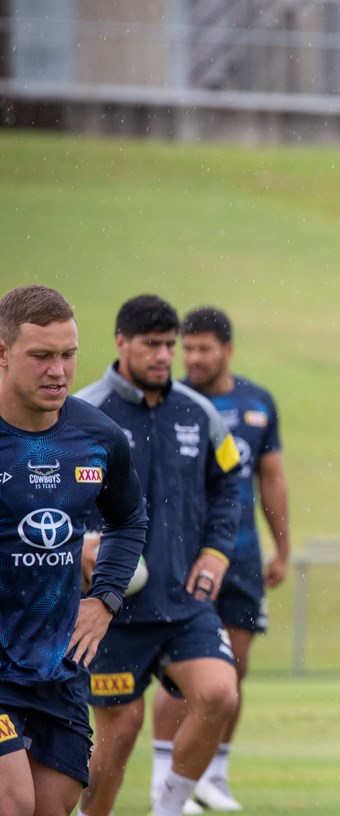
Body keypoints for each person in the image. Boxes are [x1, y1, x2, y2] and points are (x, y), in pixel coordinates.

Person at [75, 295, 242, 816]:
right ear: (121, 343)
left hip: (183, 600)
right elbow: (49, 495)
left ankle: (168, 809)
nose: (164, 356)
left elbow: (231, 481)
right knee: (120, 732)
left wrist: (215, 552)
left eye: (169, 345)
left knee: (219, 695)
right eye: (151, 345)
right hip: (113, 611)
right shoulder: (84, 413)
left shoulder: (199, 411)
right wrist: (80, 542)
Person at [0, 285, 147, 816]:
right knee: (13, 802)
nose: (58, 370)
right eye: (41, 356)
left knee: (50, 808)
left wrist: (105, 597)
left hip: (59, 671)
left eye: (68, 354)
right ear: (2, 353)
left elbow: (130, 518)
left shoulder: (99, 438)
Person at [147, 306, 292, 811]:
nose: (193, 358)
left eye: (203, 348)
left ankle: (216, 774)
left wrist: (283, 548)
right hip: (184, 559)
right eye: (187, 348)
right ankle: (164, 776)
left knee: (235, 668)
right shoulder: (171, 402)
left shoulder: (257, 402)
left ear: (228, 349)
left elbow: (270, 478)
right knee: (181, 669)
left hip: (243, 558)